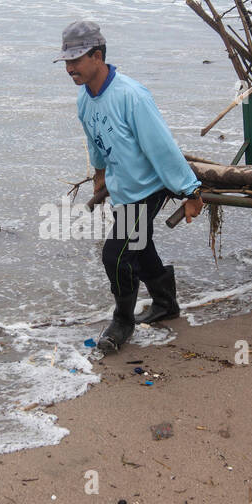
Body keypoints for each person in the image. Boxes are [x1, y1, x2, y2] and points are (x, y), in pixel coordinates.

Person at [56, 20, 204, 353]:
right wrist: (99, 173)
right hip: (123, 187)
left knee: (116, 255)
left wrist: (192, 191)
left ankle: (123, 321)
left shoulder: (131, 97)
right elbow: (94, 139)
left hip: (148, 188)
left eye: (75, 60)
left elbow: (163, 148)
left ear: (97, 56)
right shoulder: (85, 97)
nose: (69, 69)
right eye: (66, 61)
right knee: (140, 244)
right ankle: (166, 304)